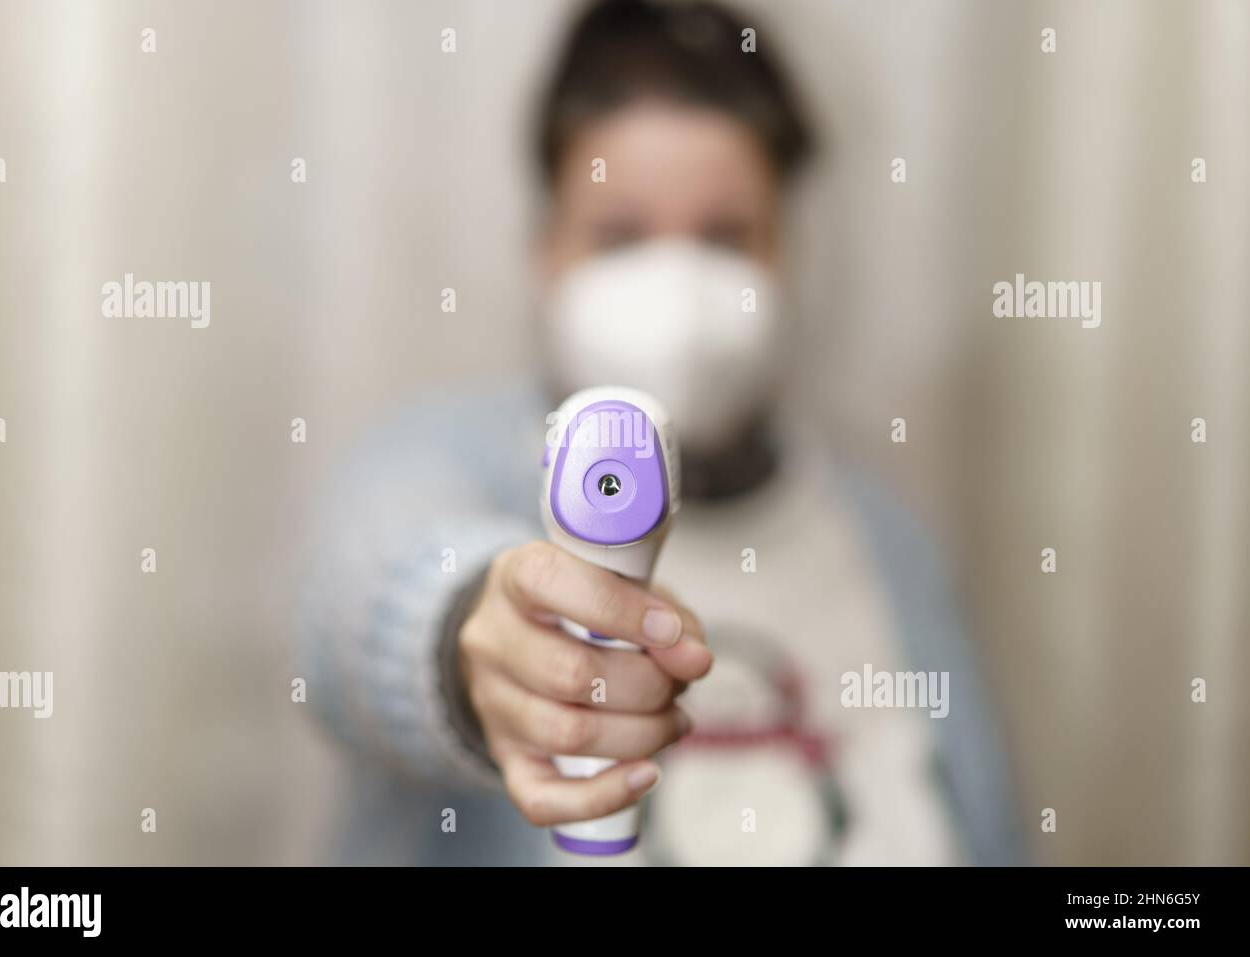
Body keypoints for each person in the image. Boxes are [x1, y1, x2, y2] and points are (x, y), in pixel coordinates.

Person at [298, 0, 1023, 866]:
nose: (675, 290)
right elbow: (359, 596)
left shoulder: (893, 542)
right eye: (620, 235)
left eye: (725, 236)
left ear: (785, 254)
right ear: (545, 253)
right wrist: (469, 636)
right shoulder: (433, 465)